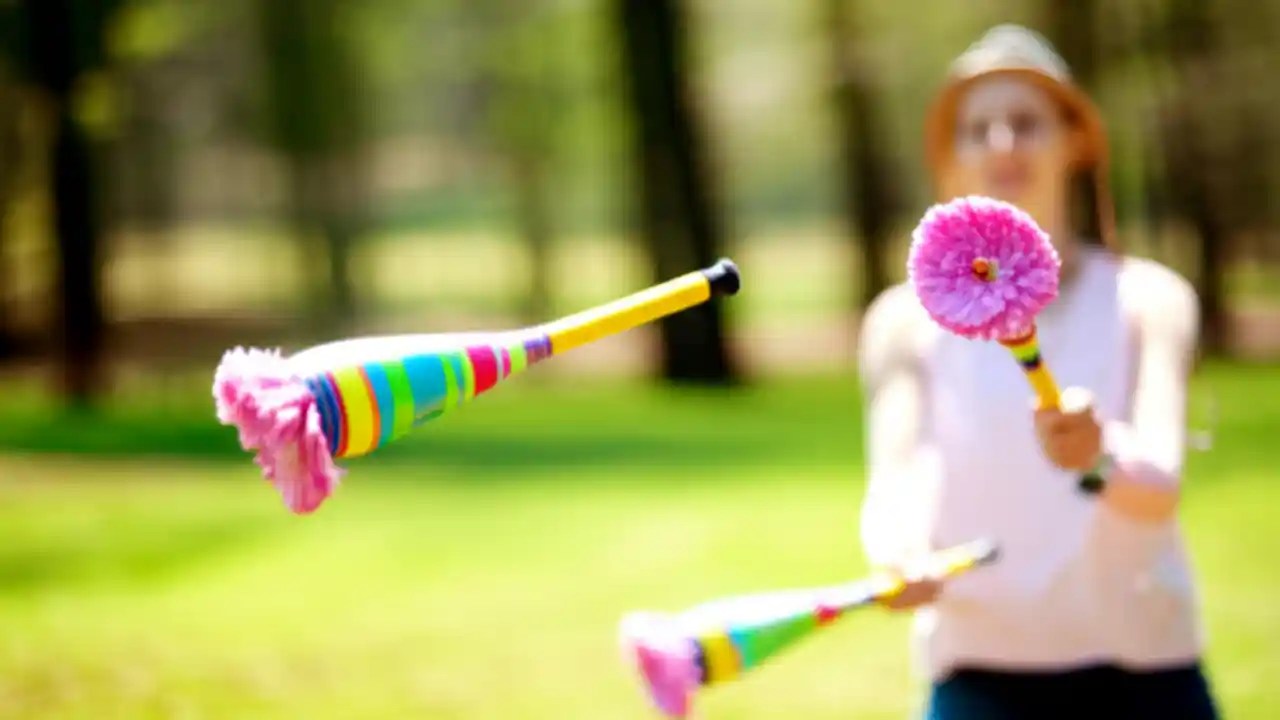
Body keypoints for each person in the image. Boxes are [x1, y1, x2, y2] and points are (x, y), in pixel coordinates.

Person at [856, 25, 1220, 719]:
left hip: (1143, 669)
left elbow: (1159, 487)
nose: (1002, 144)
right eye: (977, 128)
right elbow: (896, 476)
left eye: (1025, 123)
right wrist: (896, 552)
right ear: (951, 152)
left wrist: (1098, 454)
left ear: (1074, 140)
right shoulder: (900, 323)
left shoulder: (1149, 298)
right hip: (978, 673)